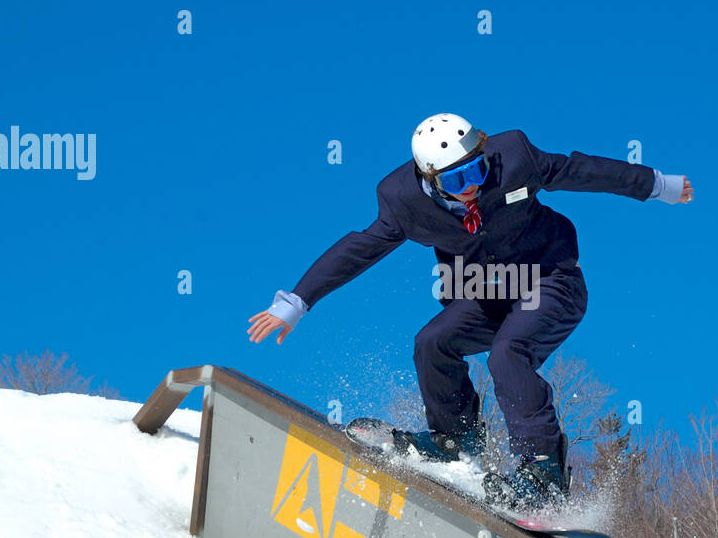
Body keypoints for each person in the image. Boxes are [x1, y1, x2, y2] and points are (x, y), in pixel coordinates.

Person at [248, 113, 692, 509]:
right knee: (432, 342)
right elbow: (358, 249)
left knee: (508, 353)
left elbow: (581, 170)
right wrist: (297, 301)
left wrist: (657, 185)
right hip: (487, 294)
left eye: (476, 170)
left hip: (552, 281)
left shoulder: (515, 155)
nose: (473, 187)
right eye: (457, 182)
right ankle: (455, 438)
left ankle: (543, 471)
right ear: (430, 179)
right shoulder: (402, 200)